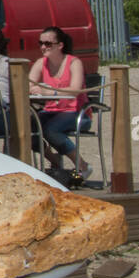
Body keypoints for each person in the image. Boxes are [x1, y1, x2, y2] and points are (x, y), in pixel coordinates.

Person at [28, 25, 91, 180]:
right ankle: (55, 160)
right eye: (41, 43)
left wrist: (48, 92)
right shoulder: (40, 63)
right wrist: (34, 89)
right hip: (51, 111)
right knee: (24, 129)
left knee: (51, 130)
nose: (43, 47)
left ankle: (82, 165)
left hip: (76, 113)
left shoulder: (73, 62)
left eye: (48, 44)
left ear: (60, 45)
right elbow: (28, 84)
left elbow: (75, 90)